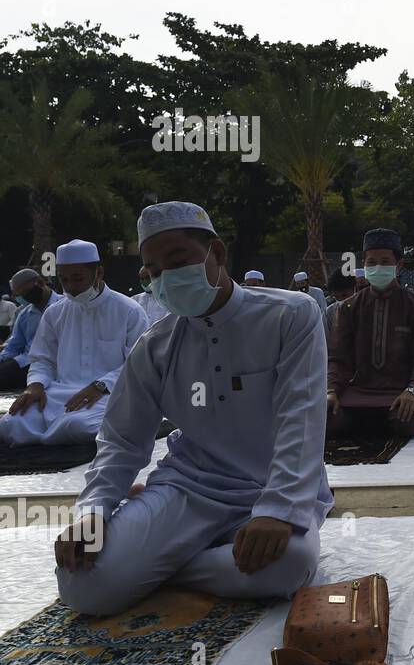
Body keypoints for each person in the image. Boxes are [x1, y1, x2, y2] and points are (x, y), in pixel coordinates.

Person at [54, 201, 331, 616]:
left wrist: (278, 509)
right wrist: (93, 509)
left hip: (270, 485)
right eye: (153, 270)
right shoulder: (155, 346)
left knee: (289, 565)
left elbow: (303, 416)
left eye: (177, 260)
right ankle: (173, 558)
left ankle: (158, 565)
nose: (165, 277)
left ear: (216, 254)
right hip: (189, 487)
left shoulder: (289, 315)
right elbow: (122, 440)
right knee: (81, 583)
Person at [0, 241, 148, 448]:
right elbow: (42, 359)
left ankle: (52, 434)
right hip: (58, 395)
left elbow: (138, 364)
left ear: (99, 273)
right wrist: (35, 385)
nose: (71, 287)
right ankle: (51, 433)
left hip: (109, 394)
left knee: (77, 426)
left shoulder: (129, 310)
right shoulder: (55, 313)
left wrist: (100, 385)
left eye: (78, 279)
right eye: (64, 279)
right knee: (10, 424)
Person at [328, 229, 414, 440]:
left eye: (385, 261)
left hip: (400, 394)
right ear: (364, 265)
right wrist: (331, 391)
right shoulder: (349, 307)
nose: (378, 267)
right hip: (357, 394)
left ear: (399, 265)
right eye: (371, 262)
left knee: (404, 422)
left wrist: (413, 391)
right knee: (327, 420)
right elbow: (338, 358)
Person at [0, 269, 64, 392]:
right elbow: (13, 347)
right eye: (21, 295)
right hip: (25, 361)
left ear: (40, 282)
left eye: (26, 292)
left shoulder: (64, 306)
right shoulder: (24, 314)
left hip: (53, 361)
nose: (25, 297)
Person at [323, 268, 357, 344]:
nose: (342, 301)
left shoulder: (365, 308)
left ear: (354, 289)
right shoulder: (330, 312)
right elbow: (326, 340)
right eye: (337, 297)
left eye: (345, 295)